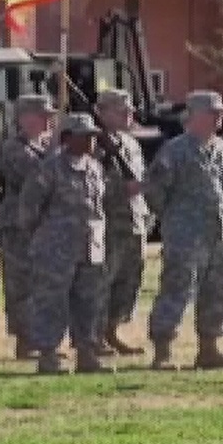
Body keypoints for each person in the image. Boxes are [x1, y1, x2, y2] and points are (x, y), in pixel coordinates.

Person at [144, 90, 223, 370]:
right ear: (195, 116)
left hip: (219, 233)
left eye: (221, 114)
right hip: (186, 235)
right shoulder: (175, 150)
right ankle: (163, 350)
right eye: (213, 114)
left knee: (219, 290)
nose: (219, 119)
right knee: (178, 289)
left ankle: (209, 349)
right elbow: (155, 191)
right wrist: (176, 220)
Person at [21, 113, 111, 374]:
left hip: (89, 247)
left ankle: (87, 353)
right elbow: (29, 208)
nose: (91, 142)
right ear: (68, 138)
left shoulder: (94, 168)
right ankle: (48, 355)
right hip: (55, 250)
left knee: (89, 302)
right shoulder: (49, 168)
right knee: (52, 302)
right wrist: (44, 238)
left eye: (93, 137)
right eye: (85, 137)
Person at [0, 94, 55, 360]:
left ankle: (41, 338)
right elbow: (37, 176)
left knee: (43, 283)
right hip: (20, 224)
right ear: (24, 119)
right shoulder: (13, 148)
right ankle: (24, 340)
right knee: (21, 282)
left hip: (43, 223)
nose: (48, 121)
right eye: (42, 116)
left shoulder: (45, 146)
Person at [93, 89, 149, 357]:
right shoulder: (93, 144)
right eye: (121, 110)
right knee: (103, 281)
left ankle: (112, 331)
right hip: (108, 223)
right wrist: (119, 189)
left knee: (128, 282)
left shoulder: (131, 144)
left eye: (130, 110)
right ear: (102, 113)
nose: (130, 115)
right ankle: (93, 336)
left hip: (133, 221)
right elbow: (87, 185)